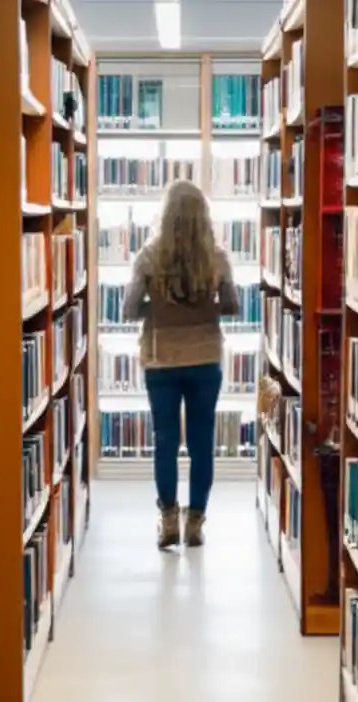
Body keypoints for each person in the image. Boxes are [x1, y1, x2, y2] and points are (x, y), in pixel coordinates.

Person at [122, 179, 241, 549]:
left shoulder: (148, 257)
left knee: (165, 441)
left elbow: (128, 310)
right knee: (203, 442)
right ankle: (196, 523)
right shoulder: (218, 259)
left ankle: (168, 519)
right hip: (205, 360)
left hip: (162, 360)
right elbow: (234, 306)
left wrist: (160, 308)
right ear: (203, 217)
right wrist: (202, 307)